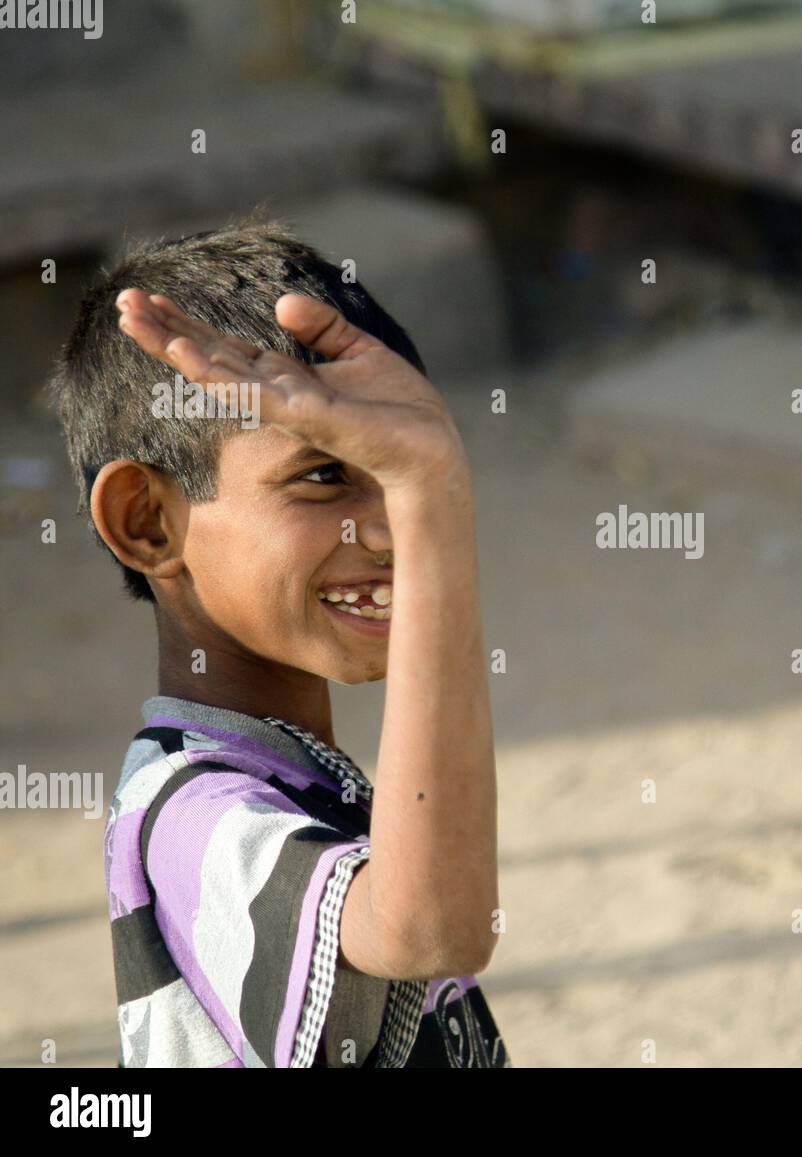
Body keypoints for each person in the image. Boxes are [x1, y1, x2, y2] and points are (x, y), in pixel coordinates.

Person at [48, 218, 509, 1067]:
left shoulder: (292, 773)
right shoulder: (185, 817)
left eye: (393, 470)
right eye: (325, 474)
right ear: (147, 521)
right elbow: (428, 930)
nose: (389, 528)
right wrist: (427, 486)